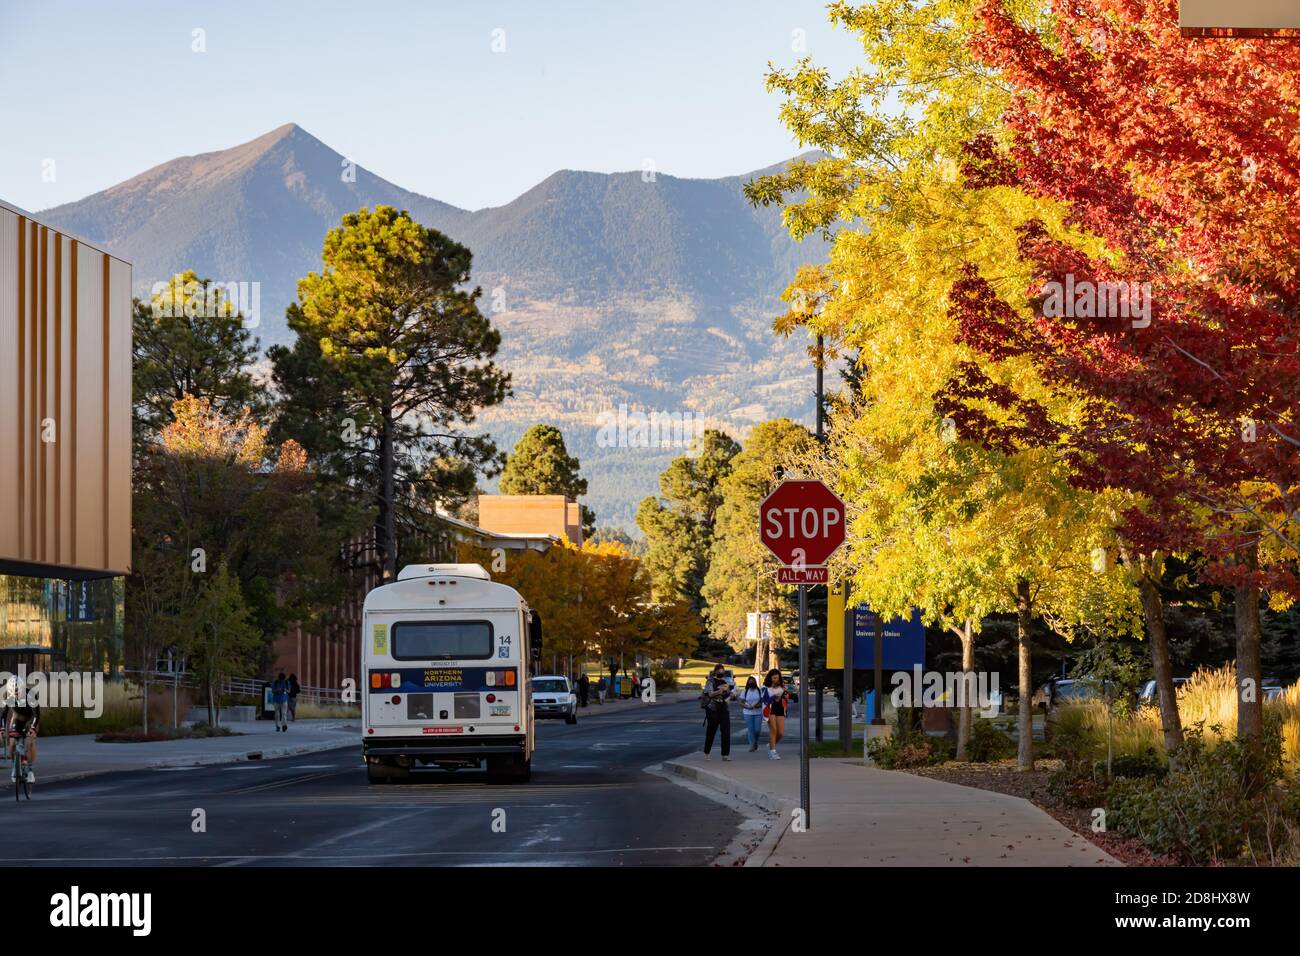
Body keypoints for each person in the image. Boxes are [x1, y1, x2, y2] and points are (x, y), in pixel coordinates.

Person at [3, 676, 39, 784]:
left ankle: (30, 770)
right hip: (17, 718)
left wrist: (32, 729)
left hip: (31, 719)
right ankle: (15, 767)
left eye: (18, 692)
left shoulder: (31, 695)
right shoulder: (7, 696)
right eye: (14, 693)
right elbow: (4, 715)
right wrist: (2, 729)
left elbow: (37, 715)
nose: (16, 695)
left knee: (29, 742)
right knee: (12, 743)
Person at [700, 663, 734, 761]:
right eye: (719, 670)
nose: (721, 672)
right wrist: (719, 691)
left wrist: (731, 694)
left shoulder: (724, 681)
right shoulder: (710, 681)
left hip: (723, 708)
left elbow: (728, 694)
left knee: (726, 731)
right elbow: (710, 694)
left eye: (722, 670)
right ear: (715, 672)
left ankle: (725, 754)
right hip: (712, 709)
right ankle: (707, 752)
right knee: (711, 731)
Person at [762, 669, 788, 760]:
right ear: (770, 678)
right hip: (770, 708)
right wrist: (773, 697)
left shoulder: (782, 687)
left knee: (780, 732)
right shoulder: (766, 688)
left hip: (780, 708)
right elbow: (764, 700)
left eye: (777, 678)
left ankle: (770, 744)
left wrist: (785, 697)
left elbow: (786, 697)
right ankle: (773, 752)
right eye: (774, 678)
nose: (776, 680)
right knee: (774, 729)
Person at [737, 675, 764, 752]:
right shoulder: (745, 691)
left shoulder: (759, 690)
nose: (751, 683)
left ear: (755, 683)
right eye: (750, 682)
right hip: (747, 713)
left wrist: (756, 706)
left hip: (758, 712)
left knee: (757, 730)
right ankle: (752, 745)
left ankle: (755, 742)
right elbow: (741, 702)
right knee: (750, 730)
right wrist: (746, 706)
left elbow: (762, 701)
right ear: (747, 683)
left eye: (753, 682)